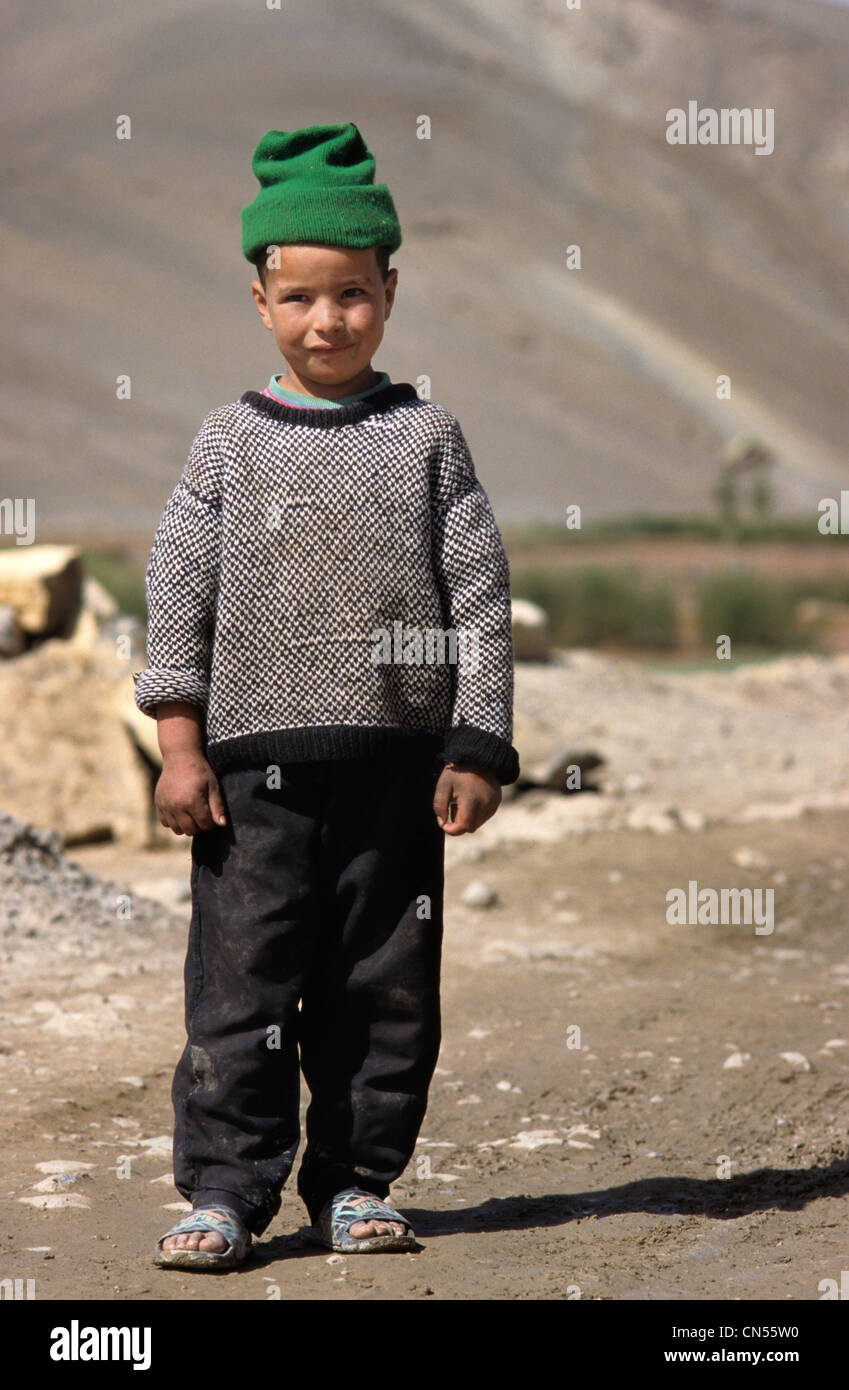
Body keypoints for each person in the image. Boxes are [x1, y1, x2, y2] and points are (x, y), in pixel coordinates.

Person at [132, 121, 519, 1270]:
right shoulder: (225, 444)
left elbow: (481, 596)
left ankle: (356, 1184)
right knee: (241, 987)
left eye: (352, 293)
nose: (327, 320)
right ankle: (225, 1191)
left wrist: (478, 741)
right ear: (259, 299)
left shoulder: (427, 440)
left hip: (397, 775)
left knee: (382, 993)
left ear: (390, 292)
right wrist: (179, 742)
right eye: (300, 296)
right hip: (253, 780)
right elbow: (176, 593)